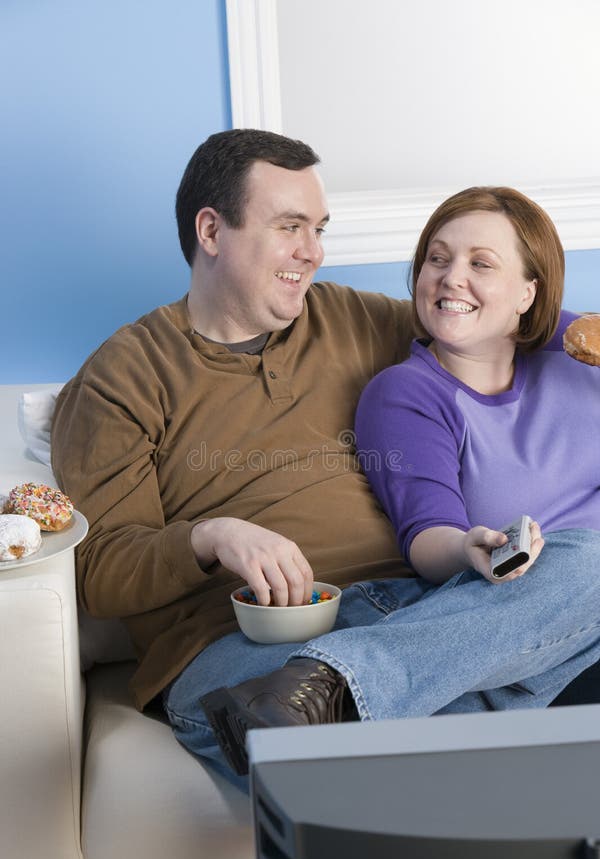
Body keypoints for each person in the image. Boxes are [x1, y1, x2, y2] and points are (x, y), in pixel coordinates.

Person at [50, 128, 417, 784]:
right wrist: (209, 537)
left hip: (402, 606)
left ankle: (354, 695)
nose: (314, 253)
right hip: (242, 650)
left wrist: (575, 335)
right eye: (290, 226)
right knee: (486, 664)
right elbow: (100, 572)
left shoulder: (352, 320)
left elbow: (482, 323)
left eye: (319, 228)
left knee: (580, 567)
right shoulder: (123, 375)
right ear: (213, 231)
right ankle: (416, 694)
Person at [201, 185, 600, 777]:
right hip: (514, 613)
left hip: (571, 642)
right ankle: (336, 696)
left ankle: (339, 699)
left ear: (528, 292)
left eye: (480, 264)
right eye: (437, 259)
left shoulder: (578, 354)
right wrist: (470, 548)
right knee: (588, 561)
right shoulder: (406, 393)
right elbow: (427, 535)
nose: (450, 278)